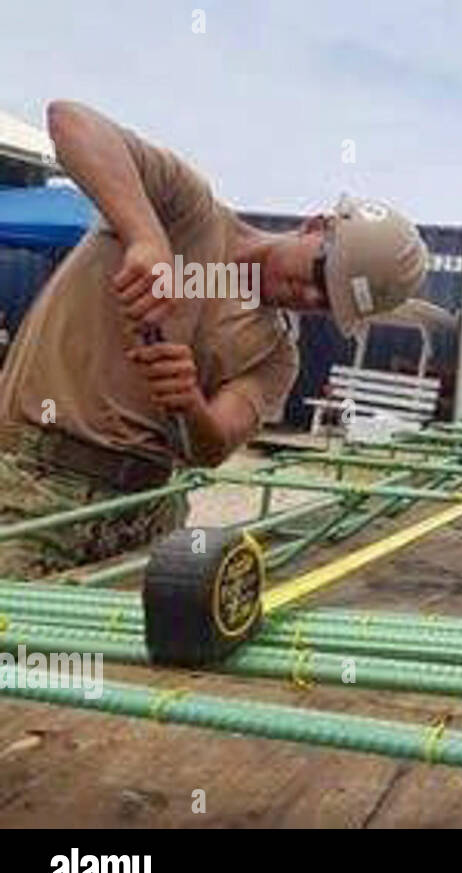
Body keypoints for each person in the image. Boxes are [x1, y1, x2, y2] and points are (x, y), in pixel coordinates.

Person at [0, 100, 428, 577]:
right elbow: (69, 121)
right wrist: (146, 238)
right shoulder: (187, 212)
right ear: (315, 225)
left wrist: (189, 404)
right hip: (30, 489)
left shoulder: (275, 355)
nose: (310, 295)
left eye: (328, 302)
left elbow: (213, 445)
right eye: (318, 274)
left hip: (148, 513)